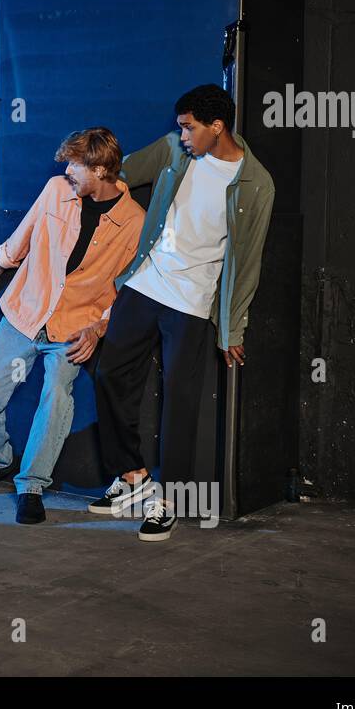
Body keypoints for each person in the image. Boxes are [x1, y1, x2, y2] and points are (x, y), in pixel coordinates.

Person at [89, 84, 275, 541]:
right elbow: (122, 173)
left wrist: (232, 327)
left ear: (217, 126)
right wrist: (84, 174)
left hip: (192, 302)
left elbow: (247, 262)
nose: (183, 136)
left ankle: (169, 502)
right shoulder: (174, 150)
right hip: (146, 282)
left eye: (190, 128)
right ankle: (132, 475)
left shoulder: (256, 184)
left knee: (180, 400)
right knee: (109, 373)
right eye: (181, 128)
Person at [0, 127, 145, 524]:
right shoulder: (55, 190)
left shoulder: (134, 222)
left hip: (74, 326)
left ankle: (31, 486)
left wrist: (97, 329)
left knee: (56, 399)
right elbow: (25, 232)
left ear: (100, 170)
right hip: (27, 310)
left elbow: (126, 289)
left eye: (75, 165)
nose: (67, 171)